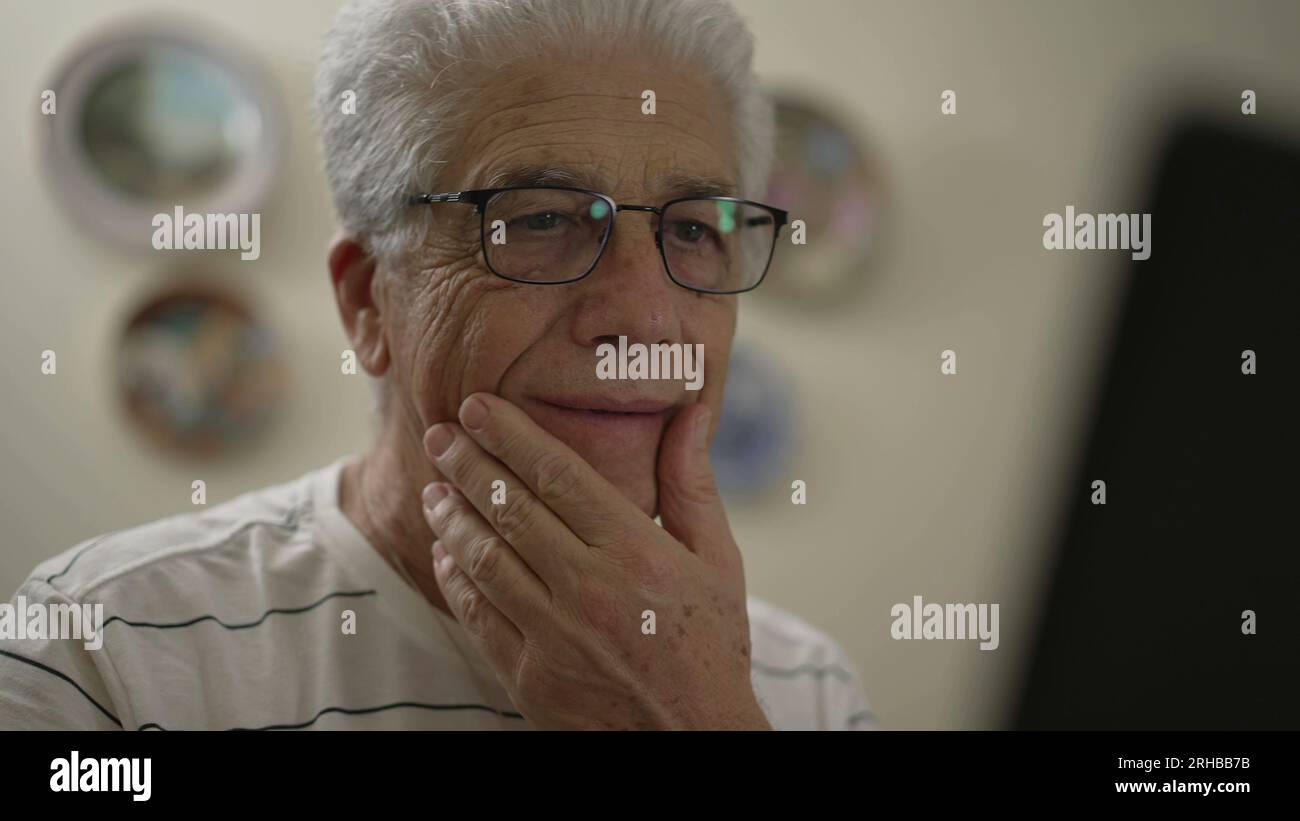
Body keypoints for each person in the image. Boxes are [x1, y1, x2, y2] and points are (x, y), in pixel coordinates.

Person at [0, 0, 873, 730]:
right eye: (539, 219)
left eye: (691, 230)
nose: (645, 318)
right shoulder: (104, 650)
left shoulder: (810, 691)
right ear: (369, 302)